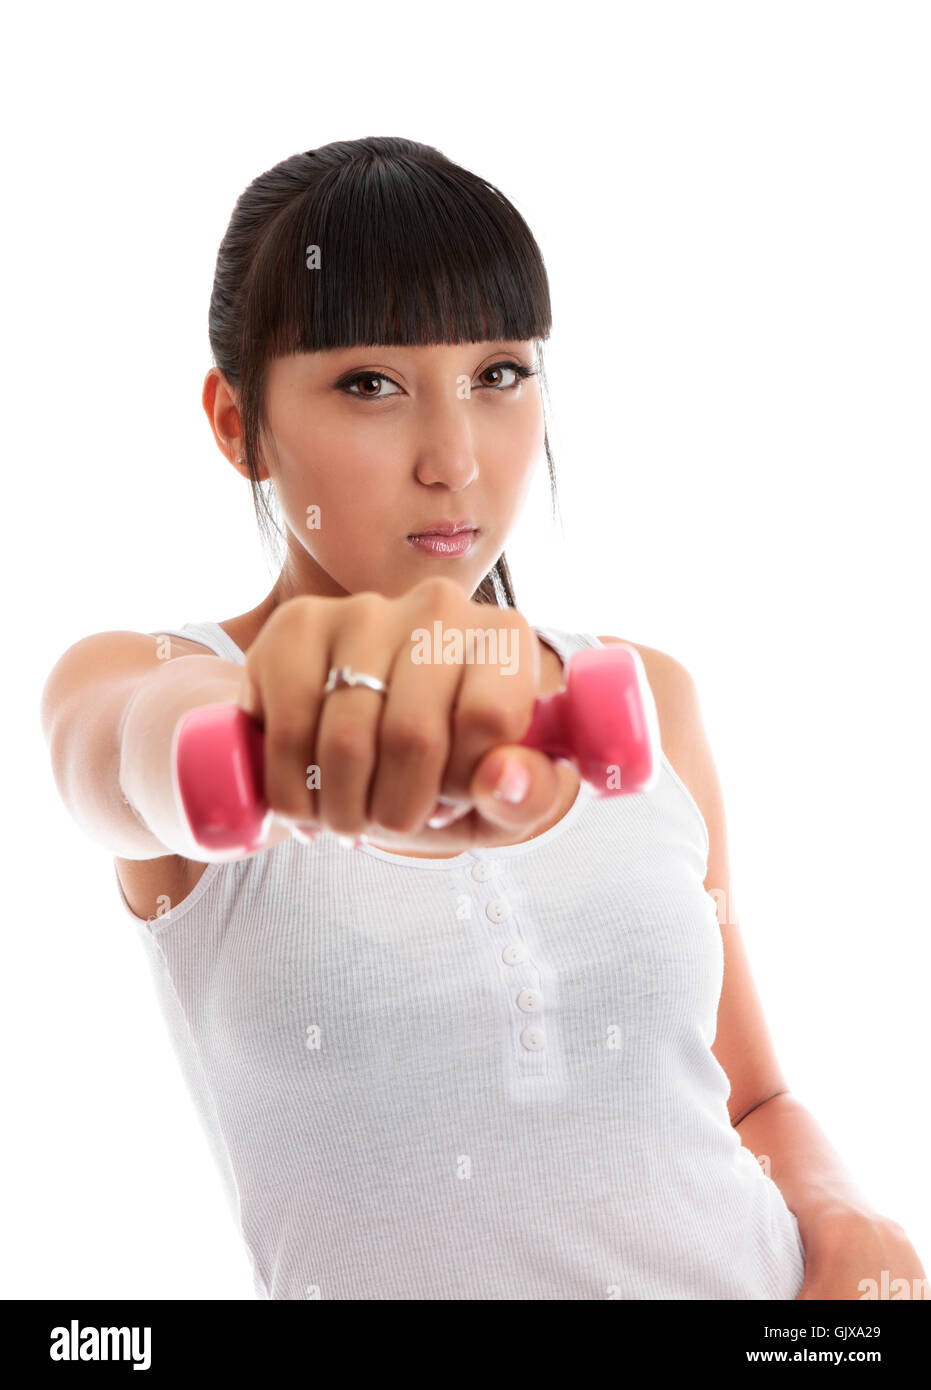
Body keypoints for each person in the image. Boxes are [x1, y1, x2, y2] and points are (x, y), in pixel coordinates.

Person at [40, 136, 925, 1301]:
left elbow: (751, 1096)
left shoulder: (647, 693)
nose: (454, 459)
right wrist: (262, 735)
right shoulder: (143, 677)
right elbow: (133, 751)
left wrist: (856, 1228)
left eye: (499, 372)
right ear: (236, 422)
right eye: (369, 383)